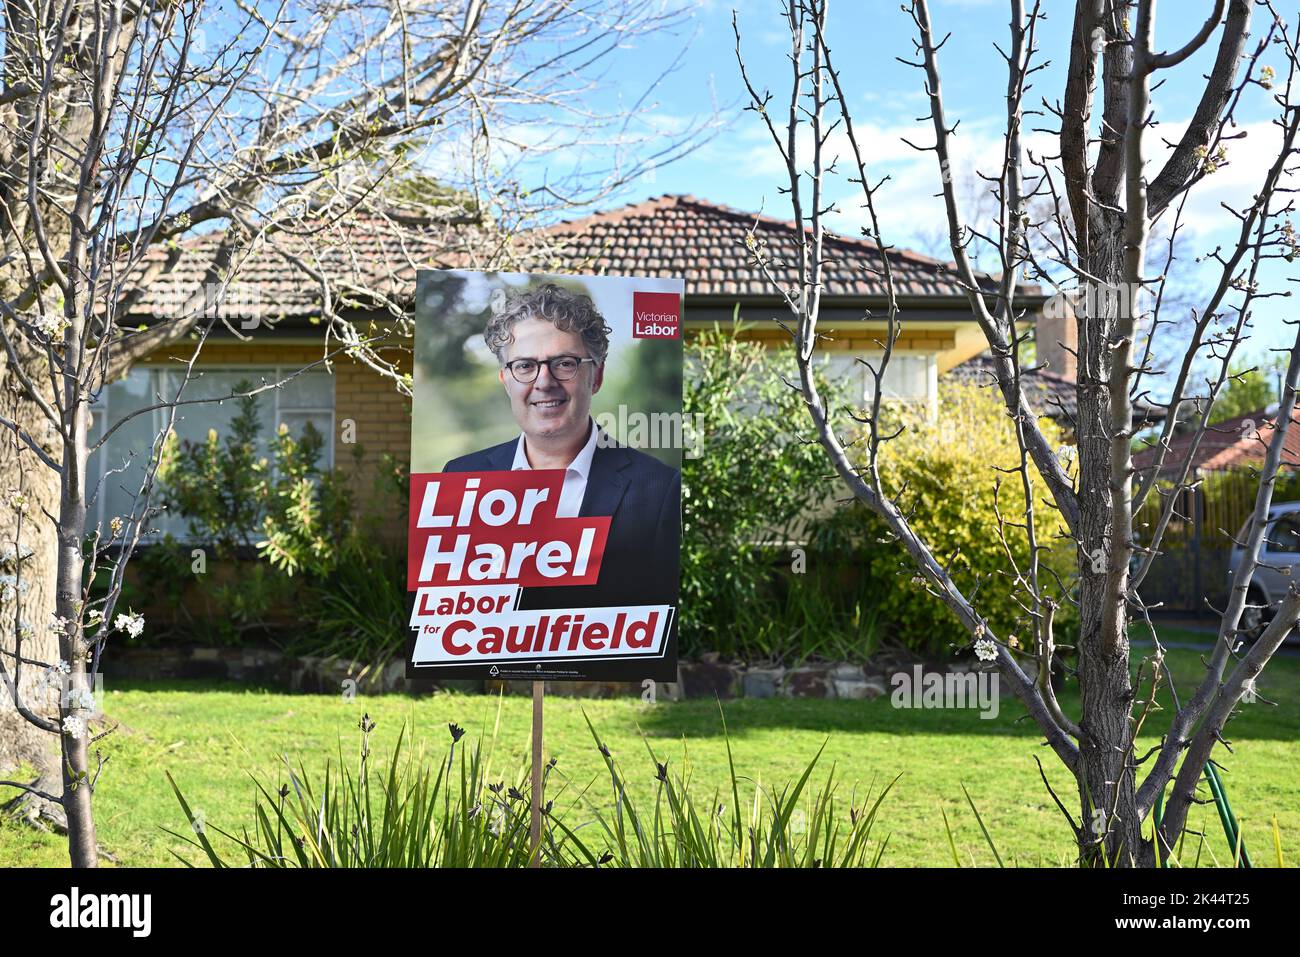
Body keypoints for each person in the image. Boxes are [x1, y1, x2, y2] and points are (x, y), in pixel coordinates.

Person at [442, 283, 680, 612]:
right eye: (525, 366)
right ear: (506, 381)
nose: (544, 381)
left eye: (565, 363)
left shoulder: (658, 489)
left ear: (595, 378)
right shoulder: (459, 479)